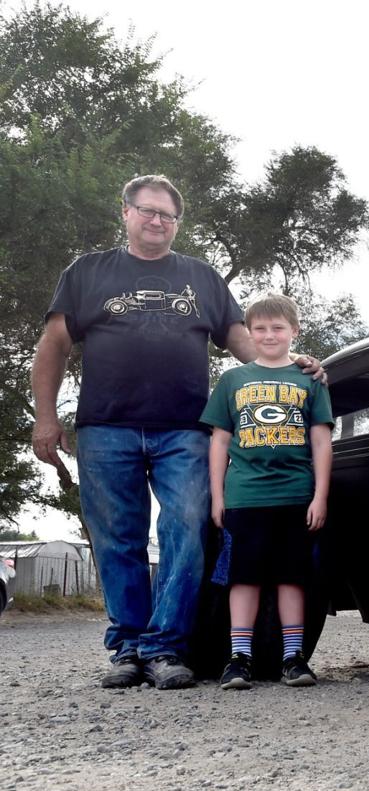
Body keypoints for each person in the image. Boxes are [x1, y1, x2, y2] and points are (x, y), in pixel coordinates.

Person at [30, 174, 322, 690]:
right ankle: (126, 649)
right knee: (117, 539)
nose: (156, 221)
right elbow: (53, 344)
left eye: (167, 215)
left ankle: (166, 649)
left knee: (186, 532)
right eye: (147, 211)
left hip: (187, 429)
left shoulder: (201, 277)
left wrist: (286, 365)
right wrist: (46, 416)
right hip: (105, 428)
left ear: (176, 223)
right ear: (125, 212)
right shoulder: (87, 272)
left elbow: (238, 337)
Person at [200, 293, 333, 689]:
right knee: (243, 579)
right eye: (260, 328)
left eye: (278, 328)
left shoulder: (310, 379)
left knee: (292, 579)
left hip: (296, 495)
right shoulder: (232, 380)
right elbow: (219, 443)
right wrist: (218, 496)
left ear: (294, 331)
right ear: (249, 332)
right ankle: (239, 658)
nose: (269, 335)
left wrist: (320, 496)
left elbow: (322, 441)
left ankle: (294, 657)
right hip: (244, 498)